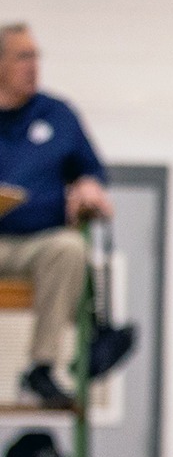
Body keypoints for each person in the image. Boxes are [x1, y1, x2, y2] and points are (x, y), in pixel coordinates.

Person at [0, 23, 111, 408]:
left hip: (37, 242)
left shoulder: (57, 115)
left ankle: (41, 368)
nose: (33, 65)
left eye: (36, 56)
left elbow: (91, 169)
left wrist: (87, 186)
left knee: (69, 248)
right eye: (22, 56)